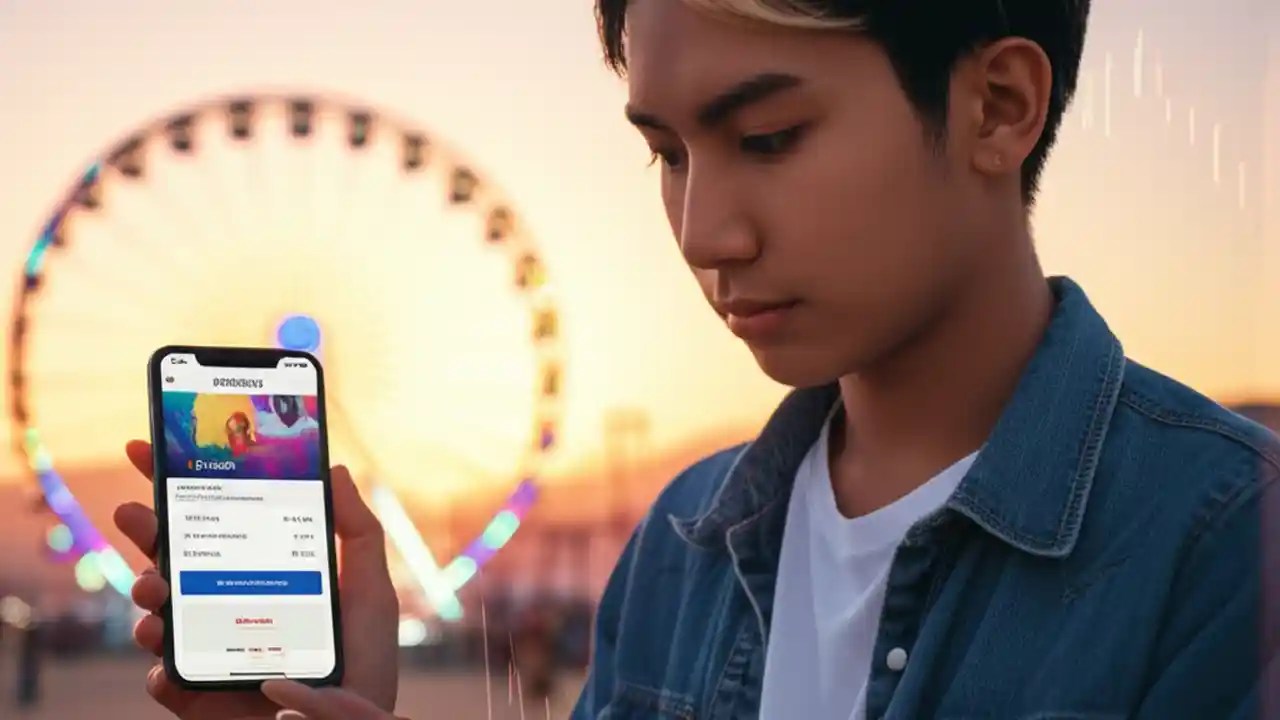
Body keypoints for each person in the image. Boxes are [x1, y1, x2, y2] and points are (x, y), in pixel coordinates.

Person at [113, 0, 1280, 717]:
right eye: (667, 155)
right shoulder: (679, 550)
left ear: (997, 106)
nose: (702, 232)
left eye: (766, 139)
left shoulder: (1229, 545)